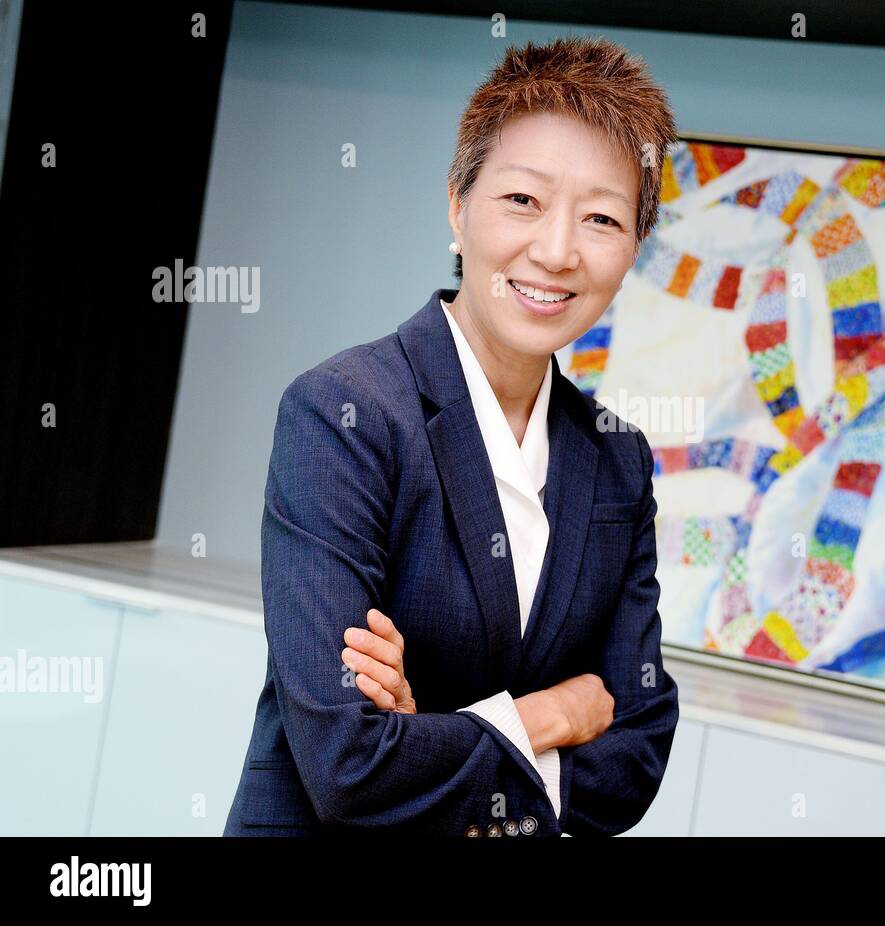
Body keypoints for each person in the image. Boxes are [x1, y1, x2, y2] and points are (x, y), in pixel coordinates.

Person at [224, 35, 680, 837]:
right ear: (456, 205)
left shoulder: (616, 459)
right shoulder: (345, 414)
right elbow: (347, 765)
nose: (556, 250)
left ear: (634, 247)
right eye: (522, 201)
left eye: (602, 217)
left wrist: (427, 727)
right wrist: (545, 717)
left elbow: (634, 761)